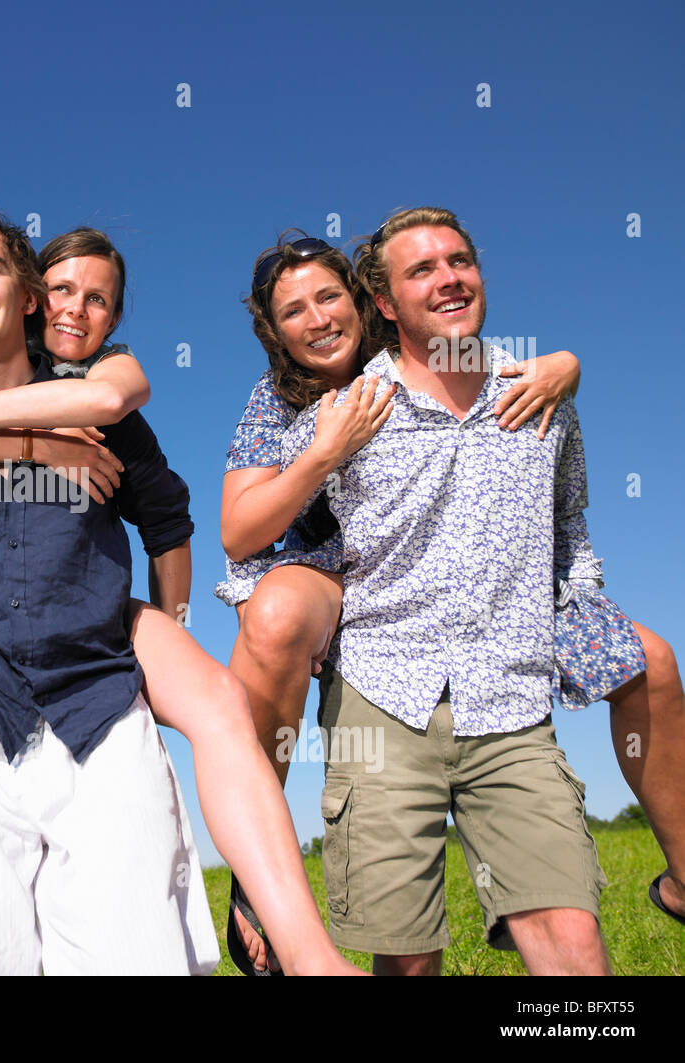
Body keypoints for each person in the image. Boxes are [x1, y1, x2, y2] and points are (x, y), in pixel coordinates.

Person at [0, 212, 358, 975]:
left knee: (216, 708)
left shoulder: (97, 404)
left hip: (93, 655)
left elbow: (165, 513)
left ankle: (311, 955)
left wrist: (164, 621)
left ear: (24, 301)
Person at [222, 226, 685, 957]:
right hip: (337, 582)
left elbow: (566, 512)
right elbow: (240, 530)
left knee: (650, 661)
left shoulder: (498, 381)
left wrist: (566, 365)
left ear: (364, 303)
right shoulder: (285, 401)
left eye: (328, 297)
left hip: (488, 611)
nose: (316, 320)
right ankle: (258, 850)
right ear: (274, 332)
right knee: (279, 617)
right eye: (292, 312)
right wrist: (324, 454)